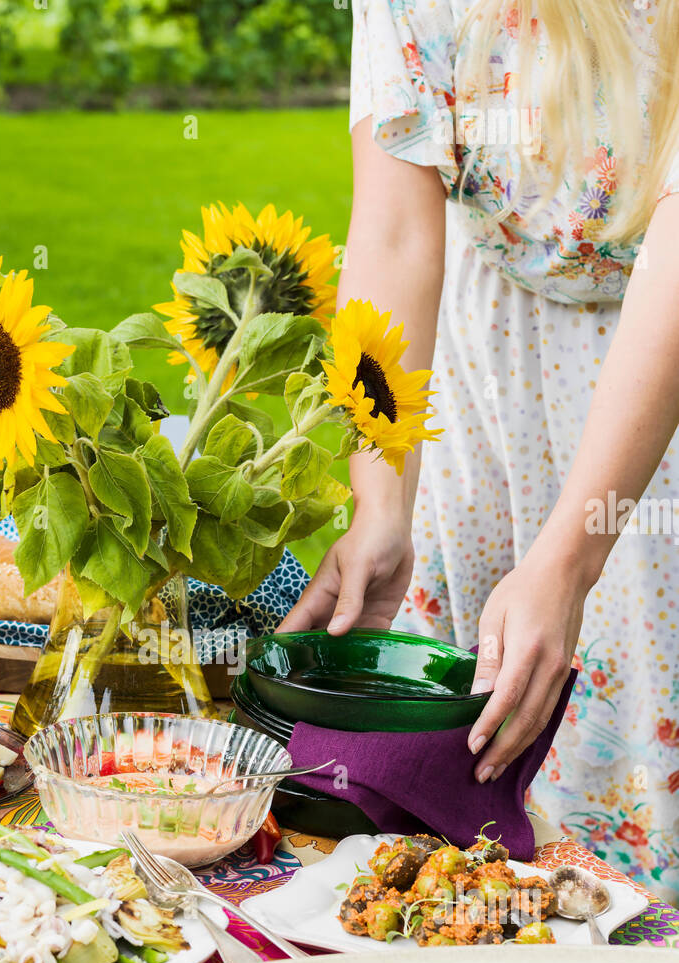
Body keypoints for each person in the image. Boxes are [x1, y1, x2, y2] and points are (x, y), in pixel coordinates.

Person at [281, 0, 679, 901]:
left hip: (653, 391)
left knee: (639, 796)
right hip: (480, 376)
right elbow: (392, 227)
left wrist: (568, 563)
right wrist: (381, 501)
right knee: (464, 828)